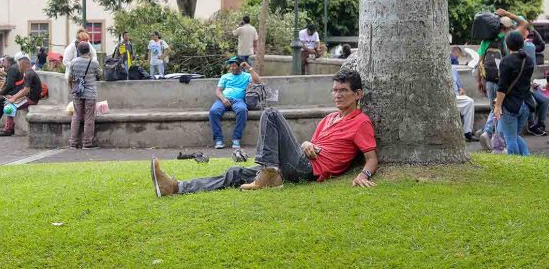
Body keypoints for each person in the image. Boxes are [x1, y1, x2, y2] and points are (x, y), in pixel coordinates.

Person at [150, 69, 378, 196]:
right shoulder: (329, 118)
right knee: (234, 172)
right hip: (297, 162)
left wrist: (363, 175)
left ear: (357, 94)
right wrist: (306, 143)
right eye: (335, 90)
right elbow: (312, 146)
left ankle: (268, 172)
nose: (338, 95)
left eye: (343, 90)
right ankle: (176, 187)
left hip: (309, 170)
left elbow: (371, 158)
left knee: (270, 113)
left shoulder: (361, 122)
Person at [493, 31, 534, 156]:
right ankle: (527, 157)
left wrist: (498, 105)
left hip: (511, 105)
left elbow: (502, 87)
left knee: (510, 138)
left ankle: (515, 162)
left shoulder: (506, 61)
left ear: (507, 45)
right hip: (526, 103)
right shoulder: (529, 60)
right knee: (514, 135)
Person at [209, 57, 259, 150]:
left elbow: (257, 81)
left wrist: (249, 67)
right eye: (231, 66)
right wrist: (223, 99)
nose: (232, 68)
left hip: (238, 101)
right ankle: (218, 140)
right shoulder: (225, 76)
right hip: (223, 100)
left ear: (240, 66)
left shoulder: (247, 76)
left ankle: (236, 139)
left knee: (242, 110)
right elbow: (218, 91)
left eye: (234, 66)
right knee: (213, 112)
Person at [0, 54, 42, 137]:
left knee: (10, 106)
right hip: (28, 97)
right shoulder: (27, 73)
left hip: (32, 99)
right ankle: (9, 127)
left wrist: (14, 99)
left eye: (20, 65)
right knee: (8, 103)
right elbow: (23, 89)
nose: (19, 67)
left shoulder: (29, 74)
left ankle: (8, 130)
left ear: (25, 64)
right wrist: (13, 97)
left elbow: (26, 90)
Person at [68, 41, 102, 149]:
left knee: (76, 116)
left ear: (78, 51)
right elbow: (100, 75)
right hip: (90, 94)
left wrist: (72, 89)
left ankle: (73, 142)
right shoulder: (94, 63)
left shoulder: (74, 62)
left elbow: (70, 78)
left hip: (77, 93)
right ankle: (87, 143)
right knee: (89, 118)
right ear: (89, 50)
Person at [451, 55, 476, 142]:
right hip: (448, 96)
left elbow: (460, 86)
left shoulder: (453, 69)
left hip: (456, 96)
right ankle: (467, 132)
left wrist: (461, 89)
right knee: (469, 102)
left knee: (469, 102)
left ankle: (467, 132)